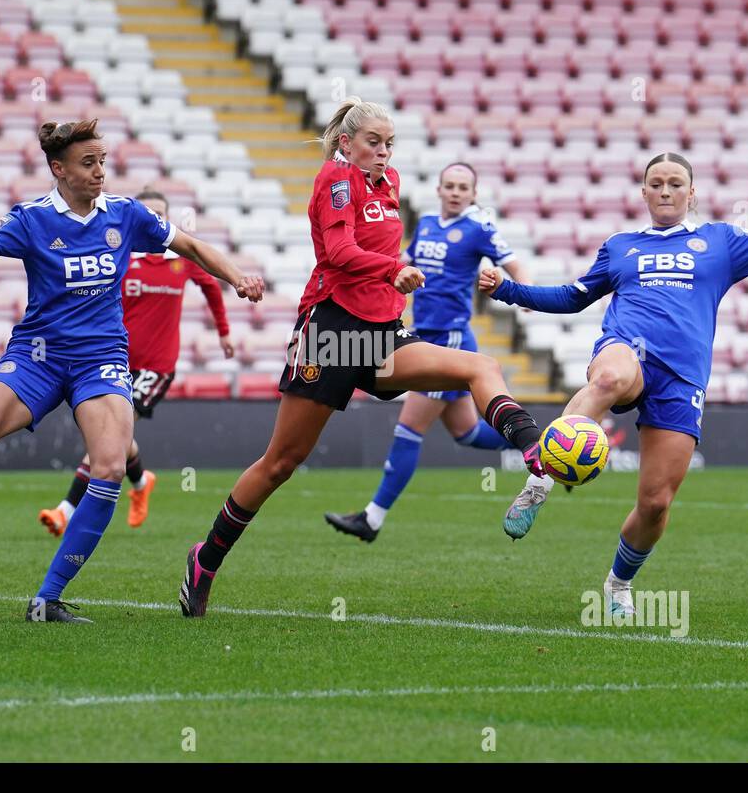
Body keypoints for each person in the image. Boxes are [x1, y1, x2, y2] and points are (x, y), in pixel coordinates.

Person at [0, 119, 263, 624]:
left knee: (109, 468)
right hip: (35, 359)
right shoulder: (33, 219)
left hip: (103, 360)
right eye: (88, 163)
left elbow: (193, 247)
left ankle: (47, 599)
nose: (100, 173)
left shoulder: (127, 215)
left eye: (102, 162)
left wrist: (239, 276)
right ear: (58, 169)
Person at [178, 97, 550, 618]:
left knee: (480, 367)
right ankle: (206, 557)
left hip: (383, 334)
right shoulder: (335, 178)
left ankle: (536, 451)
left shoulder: (389, 181)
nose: (383, 151)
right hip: (332, 332)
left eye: (389, 143)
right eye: (373, 142)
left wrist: (394, 279)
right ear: (347, 142)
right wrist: (392, 268)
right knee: (282, 463)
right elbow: (336, 253)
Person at [479, 153, 748, 614]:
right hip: (628, 349)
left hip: (682, 379)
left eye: (675, 184)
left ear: (691, 193)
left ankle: (618, 585)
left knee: (656, 502)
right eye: (656, 183)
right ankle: (541, 475)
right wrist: (507, 288)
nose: (665, 191)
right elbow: (574, 297)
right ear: (643, 193)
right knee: (609, 376)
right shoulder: (621, 245)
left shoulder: (721, 242)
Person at [325, 162, 532, 541]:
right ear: (438, 190)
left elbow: (512, 260)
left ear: (473, 194)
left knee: (408, 429)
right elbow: (404, 262)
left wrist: (526, 293)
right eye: (449, 185)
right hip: (424, 336)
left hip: (449, 339)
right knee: (467, 433)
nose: (455, 192)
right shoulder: (428, 225)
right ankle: (547, 445)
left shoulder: (478, 227)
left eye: (463, 187)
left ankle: (371, 518)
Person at [36, 188, 234, 536]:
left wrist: (224, 332)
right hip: (114, 360)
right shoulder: (121, 257)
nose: (156, 220)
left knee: (111, 435)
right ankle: (141, 482)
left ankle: (65, 511)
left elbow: (212, 288)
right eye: (150, 214)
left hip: (157, 367)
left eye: (162, 214)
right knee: (119, 438)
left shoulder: (181, 259)